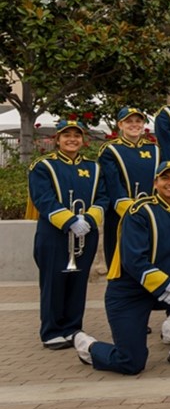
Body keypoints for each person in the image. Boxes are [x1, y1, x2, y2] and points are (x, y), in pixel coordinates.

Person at [75, 161, 170, 373]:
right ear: (155, 183)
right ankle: (89, 346)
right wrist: (166, 285)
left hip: (167, 287)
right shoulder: (139, 211)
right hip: (130, 292)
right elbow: (133, 261)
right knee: (131, 363)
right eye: (165, 178)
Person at [29, 119, 107, 350]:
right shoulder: (43, 166)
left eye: (76, 135)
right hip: (54, 233)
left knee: (78, 282)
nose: (72, 139)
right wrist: (70, 220)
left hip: (86, 232)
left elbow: (103, 197)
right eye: (66, 135)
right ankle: (52, 331)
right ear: (57, 139)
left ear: (83, 140)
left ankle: (73, 328)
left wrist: (89, 219)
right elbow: (43, 198)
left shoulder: (94, 168)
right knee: (54, 281)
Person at [98, 107, 160, 266]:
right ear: (120, 124)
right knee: (119, 259)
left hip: (151, 212)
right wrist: (132, 210)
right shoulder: (110, 150)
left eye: (138, 121)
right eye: (129, 121)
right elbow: (113, 184)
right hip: (121, 215)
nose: (134, 125)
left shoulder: (154, 149)